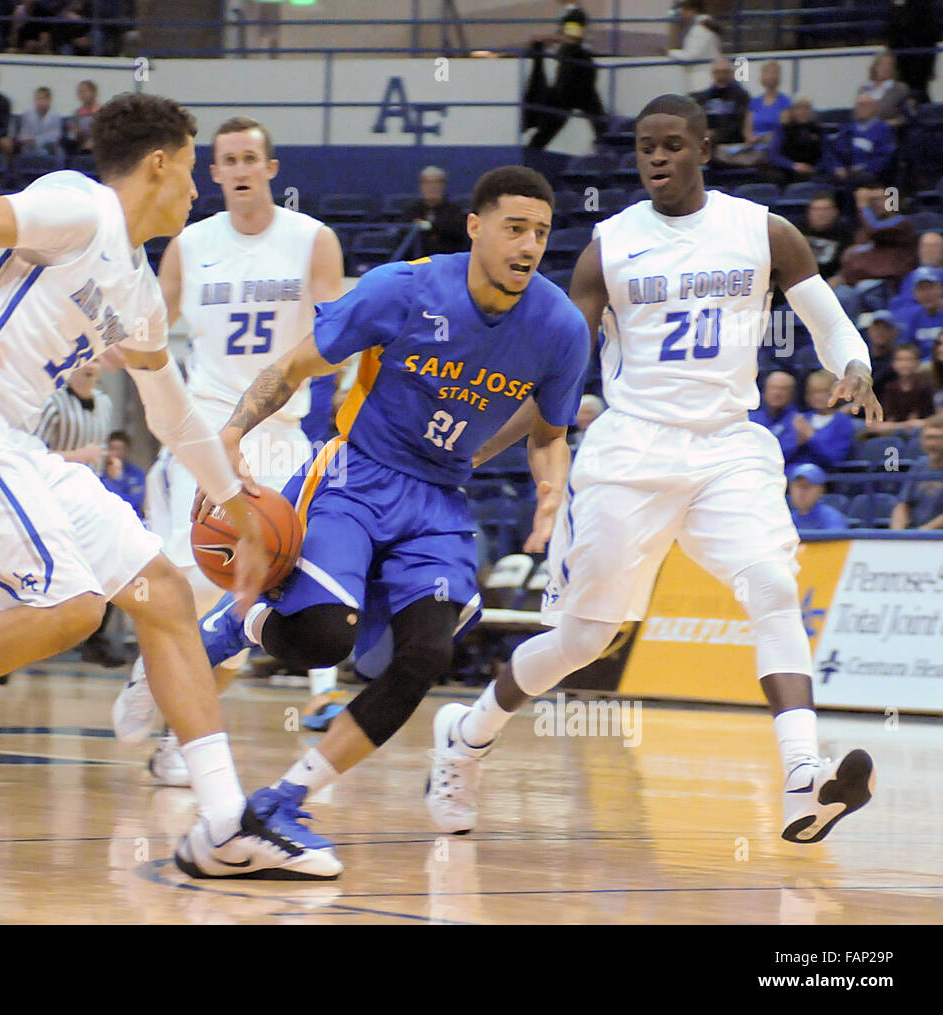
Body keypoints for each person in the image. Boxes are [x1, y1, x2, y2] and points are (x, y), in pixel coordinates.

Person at [0, 91, 340, 881]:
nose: (196, 192)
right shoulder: (73, 206)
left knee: (163, 591)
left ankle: (224, 823)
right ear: (158, 164)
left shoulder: (142, 295)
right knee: (72, 606)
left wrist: (237, 507)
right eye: (191, 173)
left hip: (13, 440)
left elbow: (175, 413)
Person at [433, 95, 879, 847]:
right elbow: (560, 368)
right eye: (645, 147)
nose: (658, 158)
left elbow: (825, 318)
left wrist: (855, 364)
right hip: (632, 450)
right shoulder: (609, 245)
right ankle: (468, 737)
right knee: (583, 641)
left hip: (727, 445)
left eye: (673, 144)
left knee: (772, 583)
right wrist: (485, 438)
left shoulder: (763, 231)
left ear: (705, 146)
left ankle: (803, 774)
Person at [190, 165, 591, 872]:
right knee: (319, 638)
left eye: (541, 231)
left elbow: (548, 434)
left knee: (426, 656)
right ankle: (239, 621)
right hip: (355, 471)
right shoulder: (403, 289)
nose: (529, 244)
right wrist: (233, 431)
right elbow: (295, 365)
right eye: (514, 227)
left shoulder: (558, 327)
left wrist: (551, 490)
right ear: (475, 227)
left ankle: (286, 798)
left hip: (438, 500)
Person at [112, 115, 344, 784]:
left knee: (246, 599)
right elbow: (147, 327)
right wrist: (95, 354)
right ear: (212, 173)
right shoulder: (189, 244)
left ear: (272, 169)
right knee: (184, 585)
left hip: (279, 436)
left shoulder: (312, 242)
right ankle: (146, 677)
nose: (240, 168)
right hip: (206, 431)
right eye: (228, 160)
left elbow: (332, 343)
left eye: (251, 158)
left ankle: (180, 740)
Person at [34, 354, 124, 667]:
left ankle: (94, 639)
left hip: (92, 496)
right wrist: (76, 455)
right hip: (53, 499)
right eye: (88, 359)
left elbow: (97, 449)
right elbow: (31, 454)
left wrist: (108, 462)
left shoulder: (106, 403)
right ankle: (27, 643)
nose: (92, 365)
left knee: (111, 560)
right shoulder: (53, 403)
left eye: (99, 359)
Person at [521, 0, 605, 152]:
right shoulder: (570, 14)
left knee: (561, 109)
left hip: (576, 68)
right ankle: (606, 142)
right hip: (574, 67)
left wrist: (544, 38)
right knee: (589, 110)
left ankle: (534, 149)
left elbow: (572, 39)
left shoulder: (575, 14)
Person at [787, 369, 858, 470]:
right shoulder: (801, 419)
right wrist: (796, 443)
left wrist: (811, 437)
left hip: (826, 477)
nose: (819, 397)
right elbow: (785, 456)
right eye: (814, 392)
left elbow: (835, 459)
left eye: (825, 392)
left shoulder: (842, 422)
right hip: (794, 473)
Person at [822, 95, 896, 185]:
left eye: (865, 105)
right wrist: (838, 167)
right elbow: (833, 152)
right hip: (844, 171)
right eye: (859, 105)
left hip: (868, 173)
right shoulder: (846, 128)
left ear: (876, 109)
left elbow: (885, 156)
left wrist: (862, 167)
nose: (861, 108)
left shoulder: (884, 129)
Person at [868, 342, 935, 434]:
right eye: (900, 360)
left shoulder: (925, 386)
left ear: (918, 362)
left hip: (918, 431)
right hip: (894, 429)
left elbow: (919, 420)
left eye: (909, 360)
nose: (904, 364)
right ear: (893, 364)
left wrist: (895, 426)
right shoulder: (890, 387)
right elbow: (888, 417)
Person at [402, 166, 468, 258]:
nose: (432, 187)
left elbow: (457, 233)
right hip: (416, 263)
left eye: (437, 182)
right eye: (427, 182)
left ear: (443, 185)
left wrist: (430, 226)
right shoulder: (412, 211)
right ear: (421, 186)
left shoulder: (454, 211)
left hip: (447, 260)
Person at [890, 414, 943, 528]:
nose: (932, 443)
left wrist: (922, 533)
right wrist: (896, 534)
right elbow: (903, 504)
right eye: (928, 438)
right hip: (915, 536)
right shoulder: (920, 465)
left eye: (938, 438)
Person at [694, 58, 752, 159]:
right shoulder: (703, 97)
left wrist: (715, 133)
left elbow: (738, 124)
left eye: (725, 72)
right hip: (707, 142)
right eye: (718, 72)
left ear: (732, 74)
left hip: (731, 143)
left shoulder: (741, 96)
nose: (721, 76)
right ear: (712, 75)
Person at [764, 96, 824, 186]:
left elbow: (826, 154)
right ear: (792, 111)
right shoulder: (783, 129)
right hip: (787, 170)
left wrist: (815, 168)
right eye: (799, 108)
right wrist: (793, 165)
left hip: (813, 170)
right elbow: (774, 155)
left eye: (806, 108)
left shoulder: (818, 129)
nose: (803, 111)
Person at [887, 0, 939, 103]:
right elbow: (892, 35)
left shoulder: (923, 7)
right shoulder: (895, 9)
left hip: (920, 59)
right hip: (901, 59)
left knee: (919, 91)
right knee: (902, 93)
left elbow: (931, 35)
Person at [667, 0, 722, 94]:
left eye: (683, 10)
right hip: (706, 78)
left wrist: (670, 53)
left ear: (692, 10)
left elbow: (691, 56)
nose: (681, 13)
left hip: (701, 81)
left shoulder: (700, 30)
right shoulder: (706, 26)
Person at [800, 191, 851, 281]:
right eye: (816, 209)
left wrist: (841, 277)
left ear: (835, 212)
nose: (821, 213)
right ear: (809, 213)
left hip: (831, 282)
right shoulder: (796, 231)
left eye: (826, 209)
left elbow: (849, 265)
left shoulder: (846, 235)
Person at [856, 50, 913, 128]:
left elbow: (906, 117)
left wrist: (883, 126)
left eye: (889, 65)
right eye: (882, 64)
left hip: (888, 131)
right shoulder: (864, 88)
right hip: (864, 132)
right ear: (875, 67)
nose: (885, 68)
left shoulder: (900, 88)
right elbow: (857, 114)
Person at [748, 369, 799, 455]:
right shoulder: (751, 418)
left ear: (792, 393)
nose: (777, 393)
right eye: (773, 388)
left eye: (783, 389)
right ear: (765, 391)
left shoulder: (798, 421)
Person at [744, 61, 790, 149]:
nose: (771, 76)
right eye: (767, 73)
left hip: (775, 145)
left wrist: (762, 139)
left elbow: (783, 128)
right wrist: (751, 138)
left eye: (774, 72)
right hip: (754, 146)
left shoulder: (785, 101)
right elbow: (747, 129)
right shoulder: (754, 102)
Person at [787, 464, 846, 532]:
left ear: (820, 490)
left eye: (806, 486)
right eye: (797, 486)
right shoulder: (788, 520)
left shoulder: (831, 518)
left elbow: (837, 541)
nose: (801, 492)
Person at [99, 430, 145, 516]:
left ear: (127, 450)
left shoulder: (137, 474)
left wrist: (117, 478)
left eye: (120, 449)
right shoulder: (100, 475)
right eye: (113, 449)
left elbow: (135, 500)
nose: (116, 453)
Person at [900, 266, 943, 355]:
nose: (926, 294)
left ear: (940, 288)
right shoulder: (914, 318)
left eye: (930, 288)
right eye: (921, 289)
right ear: (914, 293)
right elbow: (908, 348)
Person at [864, 310, 903, 394]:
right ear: (869, 331)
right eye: (877, 328)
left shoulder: (900, 358)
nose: (880, 332)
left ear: (894, 332)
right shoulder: (862, 357)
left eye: (886, 328)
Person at [16, 86, 63, 155]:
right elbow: (23, 134)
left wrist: (36, 139)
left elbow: (56, 136)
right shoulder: (27, 115)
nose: (41, 101)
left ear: (50, 100)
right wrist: (29, 139)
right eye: (38, 98)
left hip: (49, 149)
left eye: (44, 99)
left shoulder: (55, 116)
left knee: (56, 150)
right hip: (30, 147)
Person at [66, 80, 100, 156]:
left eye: (85, 91)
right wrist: (76, 133)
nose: (82, 94)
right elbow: (73, 136)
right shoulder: (76, 115)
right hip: (81, 147)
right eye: (80, 92)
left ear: (94, 93)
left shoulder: (102, 112)